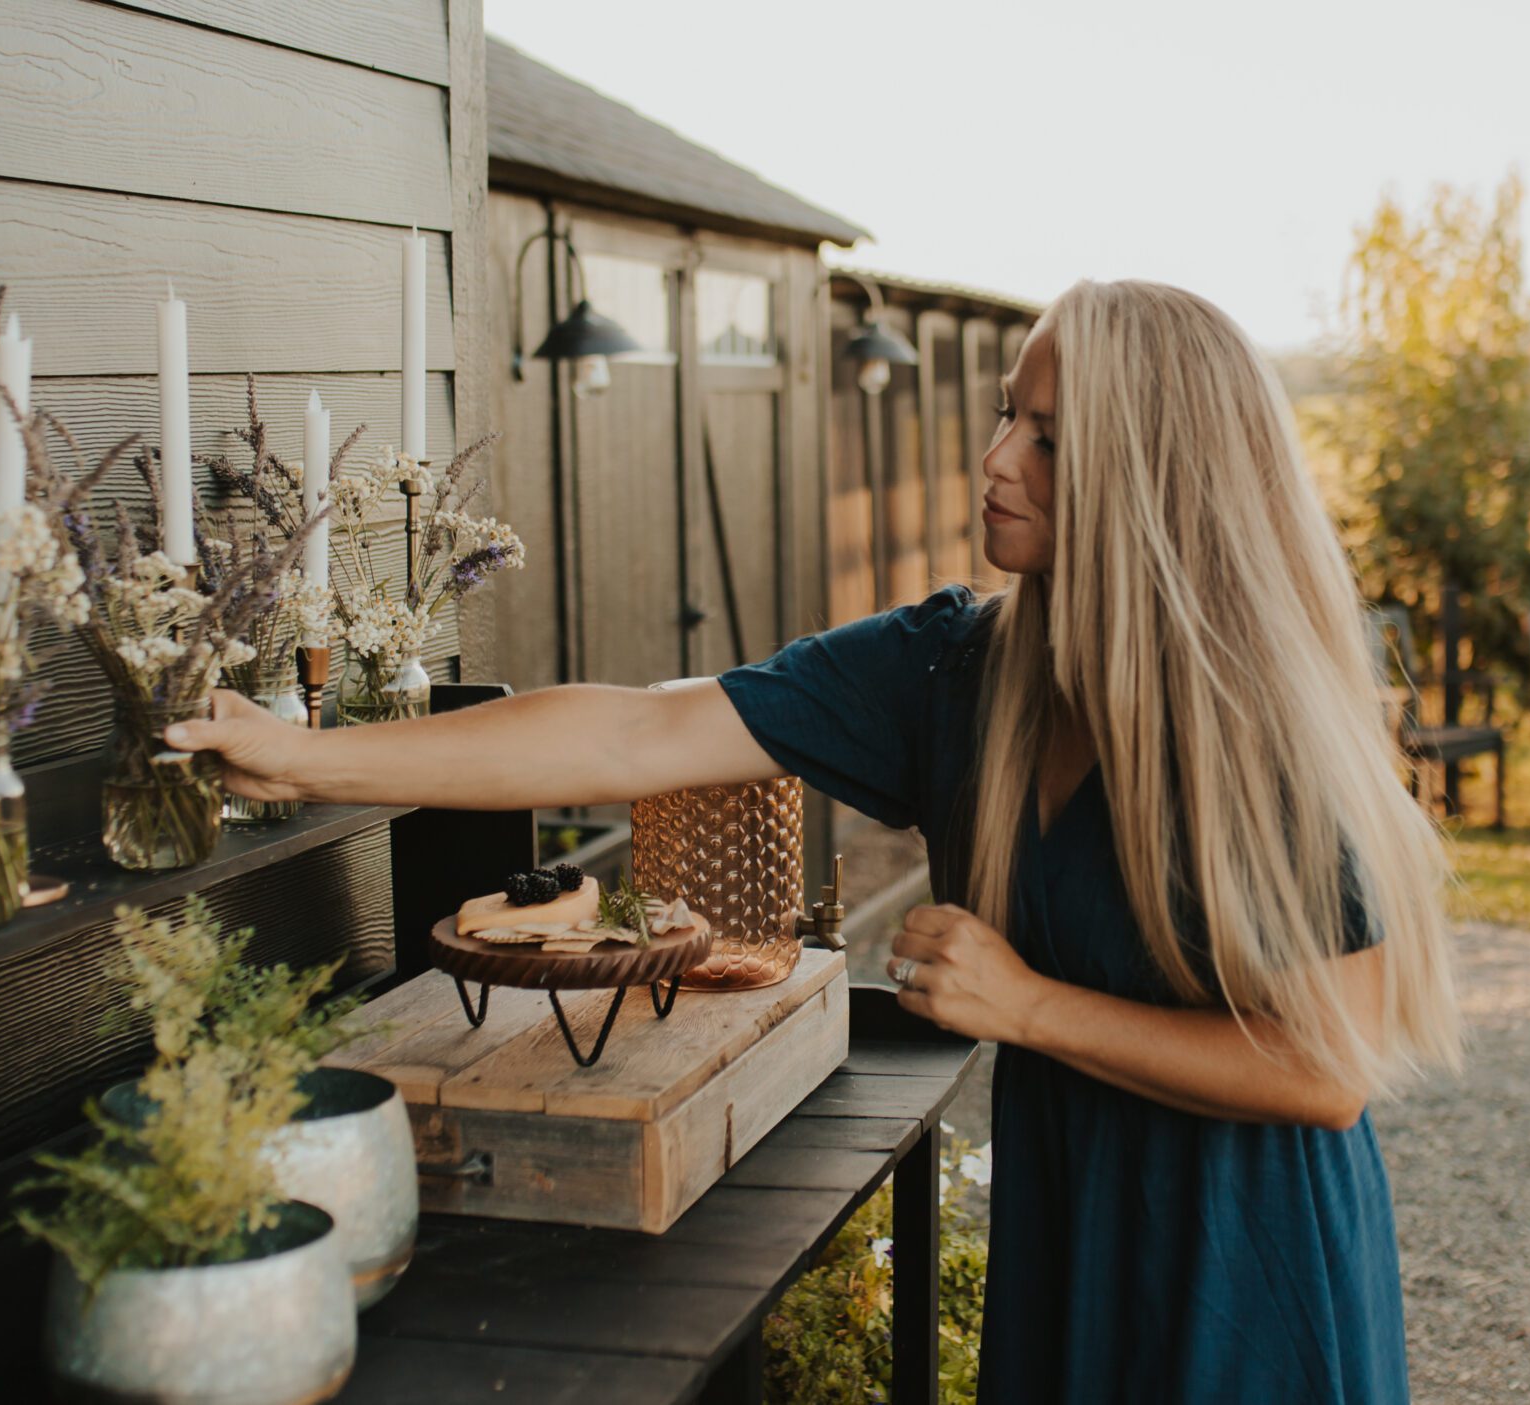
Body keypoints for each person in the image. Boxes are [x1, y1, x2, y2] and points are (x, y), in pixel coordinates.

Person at [166, 279, 1461, 1404]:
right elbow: (634, 736)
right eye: (1010, 412)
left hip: (1248, 1266)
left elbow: (1322, 1070)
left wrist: (1029, 1004)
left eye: (1051, 439)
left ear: (1160, 477)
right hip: (1073, 1236)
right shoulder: (954, 671)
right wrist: (309, 757)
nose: (998, 457)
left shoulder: (1255, 726)